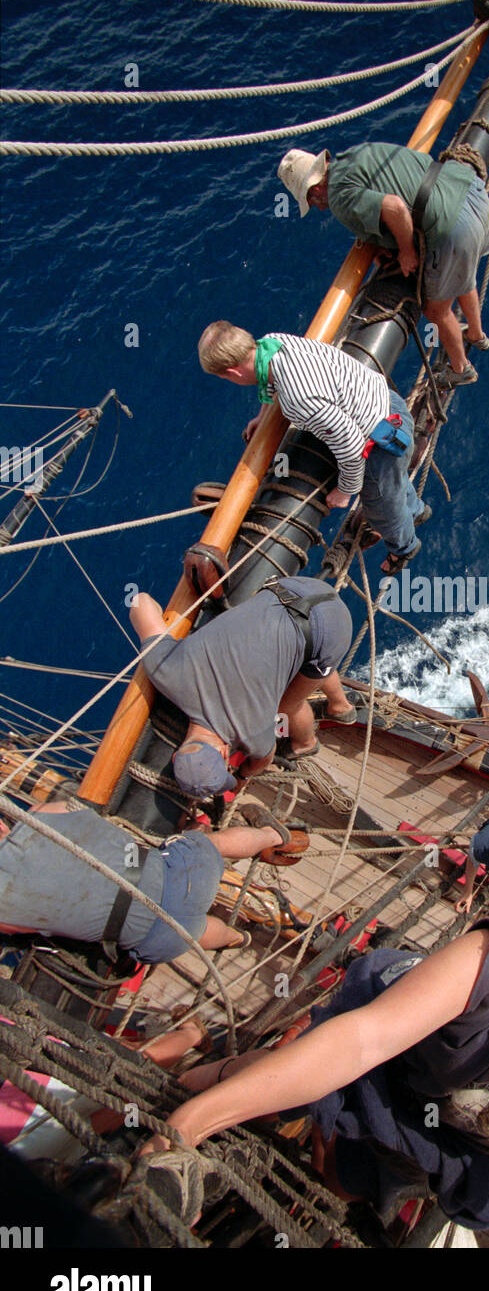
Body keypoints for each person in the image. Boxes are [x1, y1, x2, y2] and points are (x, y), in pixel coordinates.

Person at [141, 908, 489, 1245]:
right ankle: (191, 1083)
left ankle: (314, 1169)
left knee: (349, 1182)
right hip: (384, 1048)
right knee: (260, 1085)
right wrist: (185, 1130)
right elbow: (364, 1041)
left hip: (439, 1130)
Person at [198, 323, 429, 577]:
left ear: (232, 372)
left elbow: (351, 443)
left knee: (381, 505)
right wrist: (262, 415)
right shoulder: (273, 340)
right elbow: (267, 380)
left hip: (380, 445)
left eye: (224, 377)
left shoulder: (298, 398)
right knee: (392, 487)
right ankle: (416, 510)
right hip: (387, 403)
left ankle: (405, 546)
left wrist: (345, 490)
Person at [277, 144, 489, 385]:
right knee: (462, 275)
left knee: (436, 311)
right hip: (472, 193)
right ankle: (476, 335)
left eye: (310, 199)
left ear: (316, 188)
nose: (317, 206)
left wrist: (406, 252)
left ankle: (461, 368)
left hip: (456, 229)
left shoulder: (339, 196)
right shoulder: (355, 153)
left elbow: (395, 207)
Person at [0, 801, 302, 963]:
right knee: (211, 844)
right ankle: (274, 837)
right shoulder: (46, 814)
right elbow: (93, 821)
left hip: (158, 940)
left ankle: (238, 939)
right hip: (180, 874)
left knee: (191, 931)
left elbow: (25, 930)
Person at [129, 573, 354, 790]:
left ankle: (306, 744)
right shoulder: (165, 671)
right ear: (178, 754)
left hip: (333, 627)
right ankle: (340, 706)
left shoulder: (255, 737)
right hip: (290, 588)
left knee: (287, 708)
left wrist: (243, 776)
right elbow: (140, 602)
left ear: (226, 755)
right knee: (301, 659)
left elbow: (263, 760)